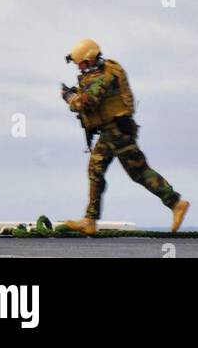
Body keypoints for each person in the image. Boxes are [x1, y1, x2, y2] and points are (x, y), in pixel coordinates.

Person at [60, 38, 189, 236]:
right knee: (102, 170)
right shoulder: (102, 72)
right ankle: (90, 220)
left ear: (91, 58)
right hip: (114, 131)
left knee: (137, 173)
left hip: (116, 132)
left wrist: (70, 97)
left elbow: (87, 103)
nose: (80, 67)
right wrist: (75, 91)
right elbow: (90, 92)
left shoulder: (104, 76)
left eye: (82, 63)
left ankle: (176, 203)